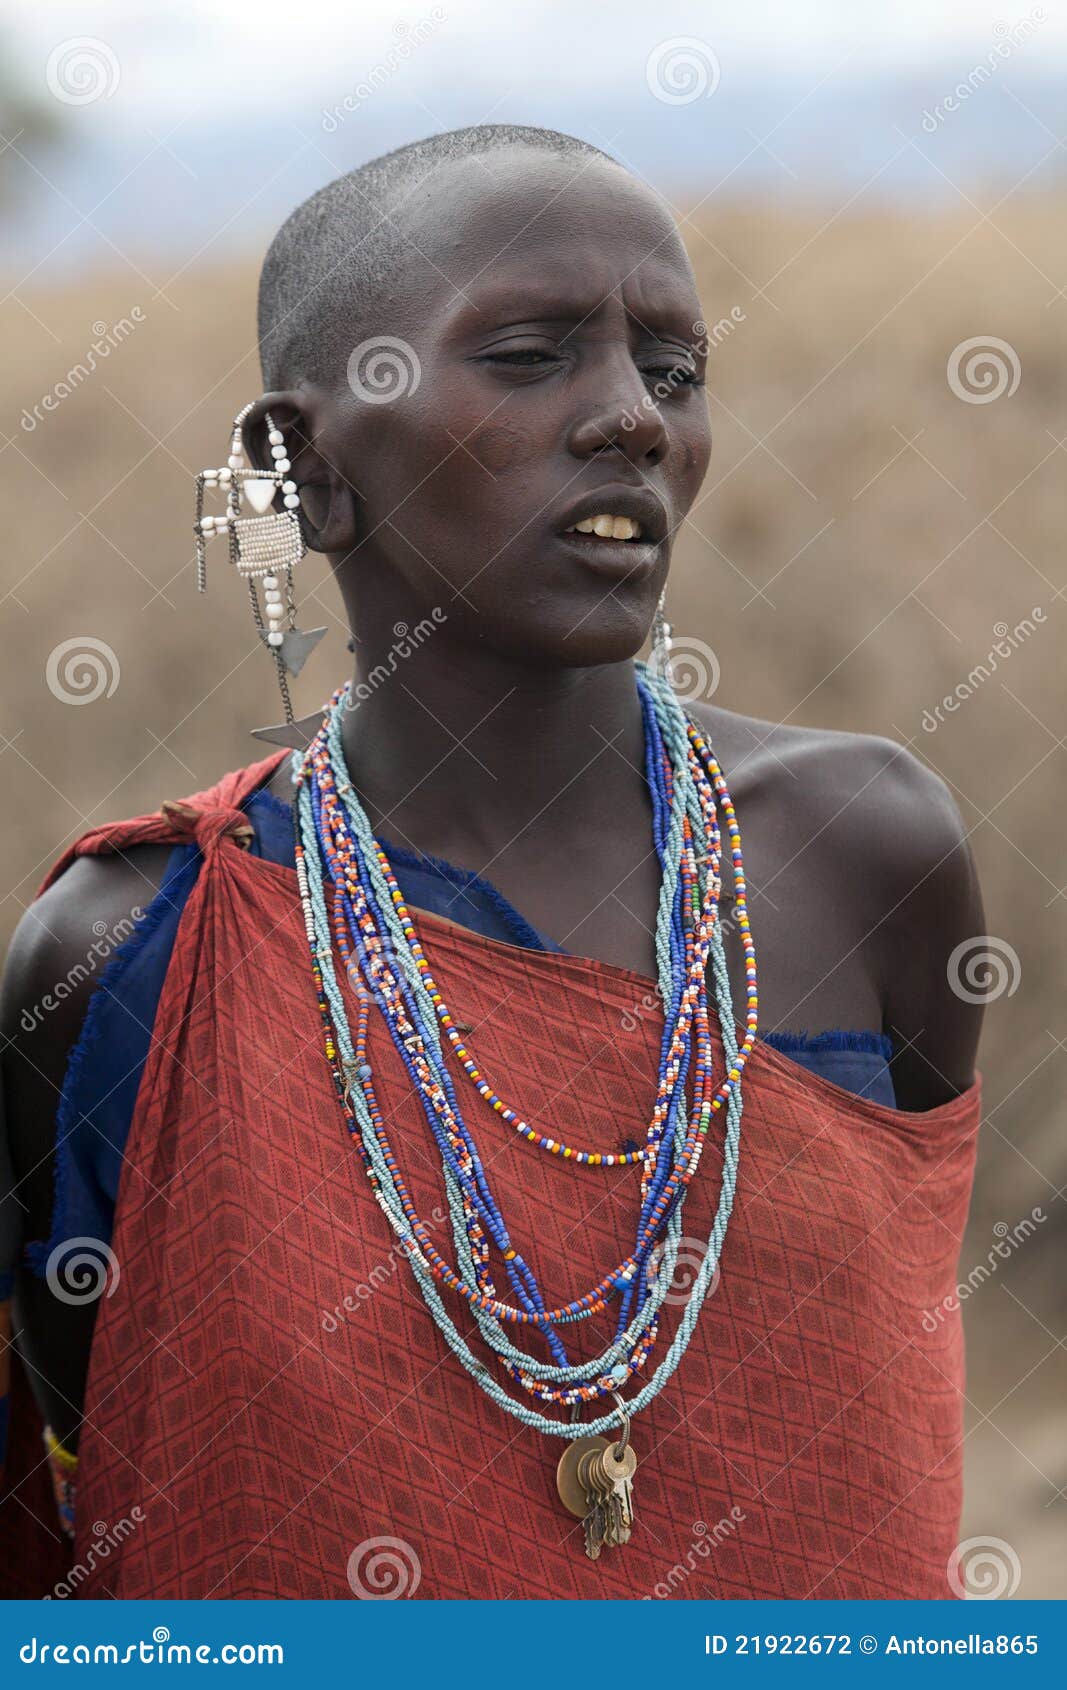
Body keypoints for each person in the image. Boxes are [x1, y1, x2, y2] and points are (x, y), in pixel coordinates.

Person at [0, 125, 984, 1601]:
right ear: (306, 466)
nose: (633, 420)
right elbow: (109, 1479)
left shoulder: (864, 857)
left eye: (673, 370)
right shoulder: (138, 952)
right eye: (530, 355)